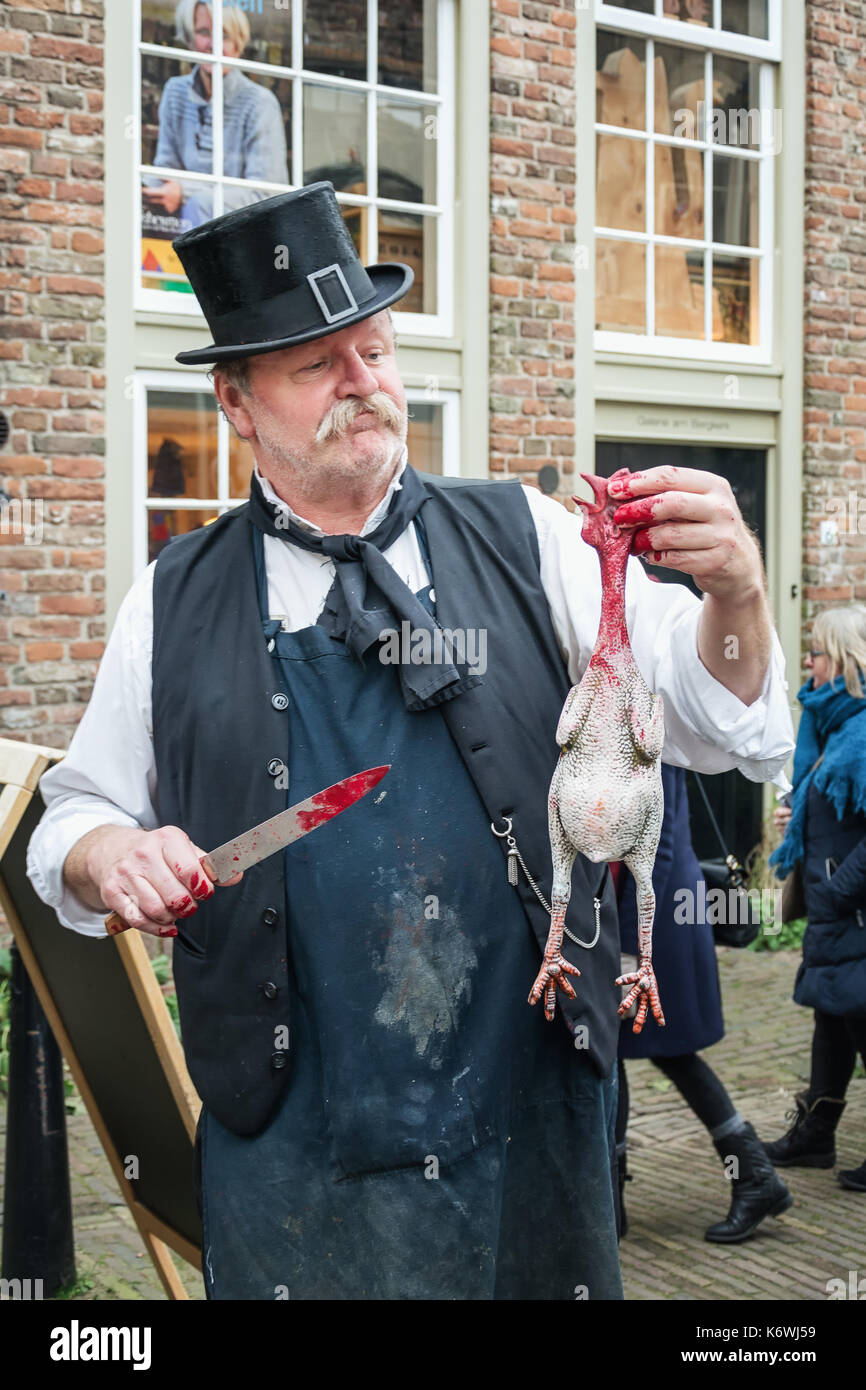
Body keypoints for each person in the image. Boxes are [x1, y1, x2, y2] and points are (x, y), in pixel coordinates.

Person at [26, 182, 795, 1300]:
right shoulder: (171, 598)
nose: (363, 382)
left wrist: (734, 595)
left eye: (374, 349)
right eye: (316, 364)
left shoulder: (529, 539)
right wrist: (112, 855)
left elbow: (713, 715)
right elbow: (74, 820)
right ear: (237, 404)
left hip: (528, 1117)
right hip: (289, 1141)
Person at [615, 762, 791, 1244]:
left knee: (653, 1049)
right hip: (655, 915)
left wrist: (632, 944)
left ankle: (754, 1178)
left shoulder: (651, 719)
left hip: (659, 921)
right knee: (633, 1051)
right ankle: (753, 1179)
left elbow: (657, 846)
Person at [765, 605, 866, 1193]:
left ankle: (815, 1134)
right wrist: (796, 819)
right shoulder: (832, 726)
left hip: (851, 907)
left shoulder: (860, 735)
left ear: (846, 659)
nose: (810, 661)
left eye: (819, 652)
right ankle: (815, 1135)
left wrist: (836, 885)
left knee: (858, 1024)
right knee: (832, 1022)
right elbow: (829, 807)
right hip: (836, 908)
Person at [142, 0, 288, 226]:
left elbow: (266, 195)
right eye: (203, 32)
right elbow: (166, 170)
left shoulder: (260, 103)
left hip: (242, 236)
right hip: (180, 229)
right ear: (190, 40)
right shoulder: (175, 92)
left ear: (239, 45)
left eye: (225, 35)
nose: (213, 43)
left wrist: (185, 193)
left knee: (200, 204)